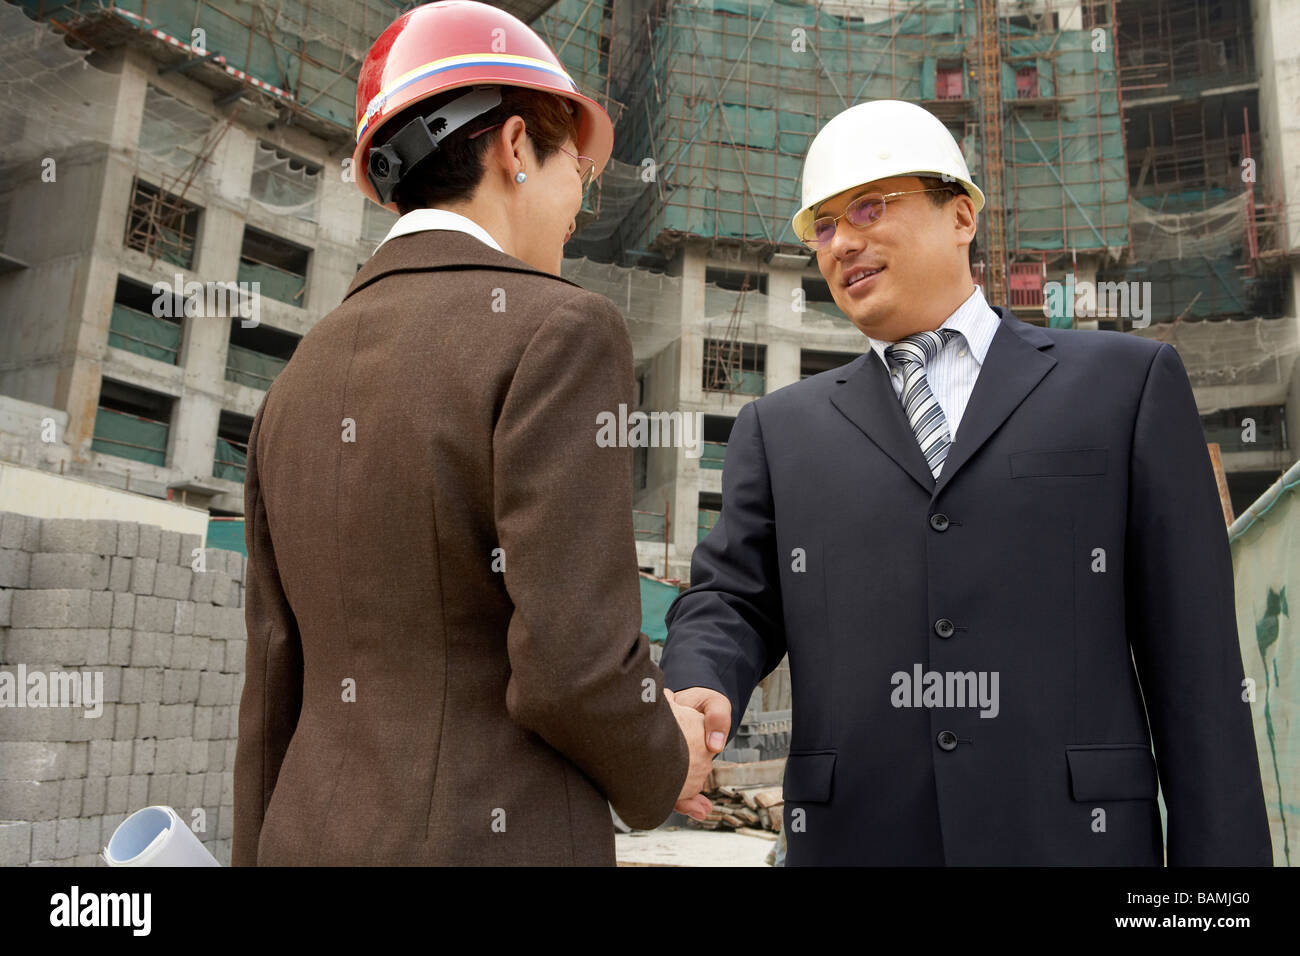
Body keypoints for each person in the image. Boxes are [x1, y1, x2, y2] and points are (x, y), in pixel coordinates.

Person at [661, 98, 1273, 866]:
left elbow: (1199, 670)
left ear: (961, 216)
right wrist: (695, 688)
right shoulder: (780, 429)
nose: (842, 241)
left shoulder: (1124, 386)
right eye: (822, 226)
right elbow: (731, 600)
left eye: (869, 207)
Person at [232, 0, 712, 866]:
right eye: (579, 172)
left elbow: (272, 689)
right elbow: (575, 664)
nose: (577, 207)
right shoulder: (560, 331)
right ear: (516, 146)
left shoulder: (295, 384)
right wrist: (667, 753)